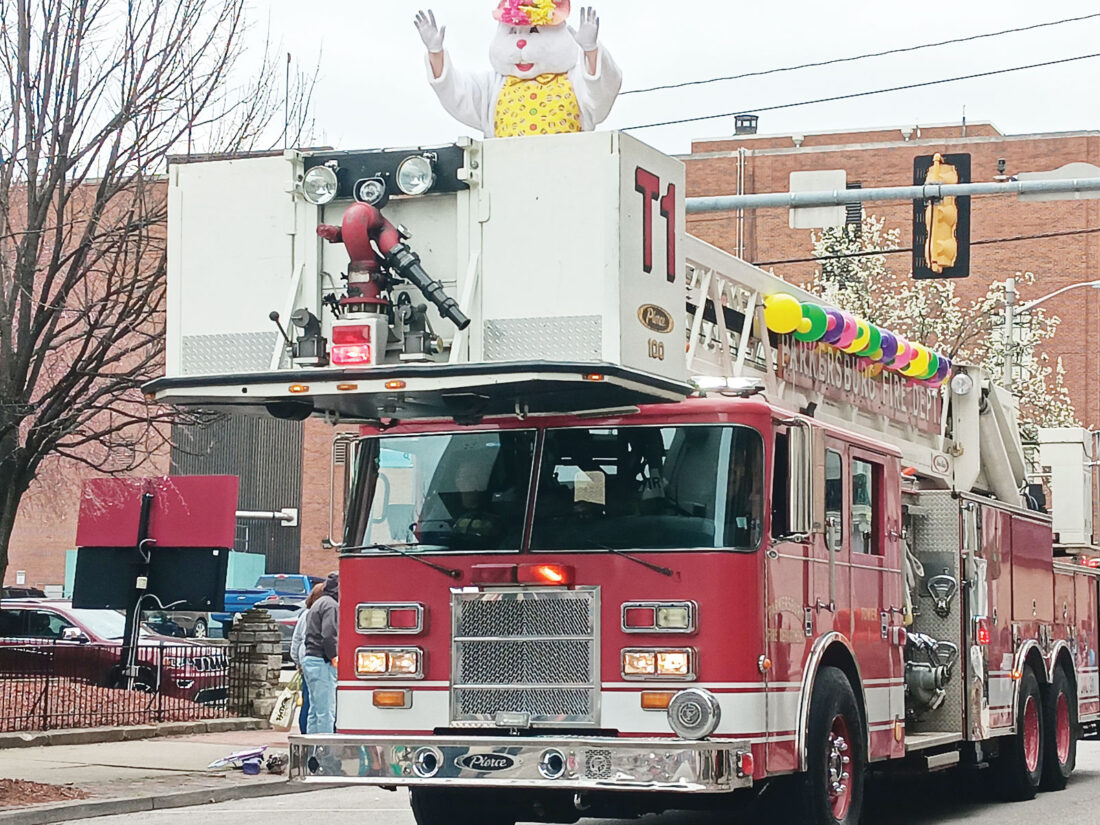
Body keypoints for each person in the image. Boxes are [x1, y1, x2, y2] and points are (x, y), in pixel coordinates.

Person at [302, 572, 339, 734]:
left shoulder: (318, 603)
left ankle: (313, 752)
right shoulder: (331, 606)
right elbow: (329, 635)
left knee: (314, 711)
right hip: (321, 661)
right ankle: (326, 753)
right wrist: (334, 657)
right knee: (326, 712)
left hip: (310, 659)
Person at [290, 583, 324, 734]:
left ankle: (305, 733)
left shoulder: (304, 615)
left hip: (305, 661)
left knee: (307, 699)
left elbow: (296, 640)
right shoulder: (324, 613)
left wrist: (297, 662)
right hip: (318, 660)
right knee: (319, 702)